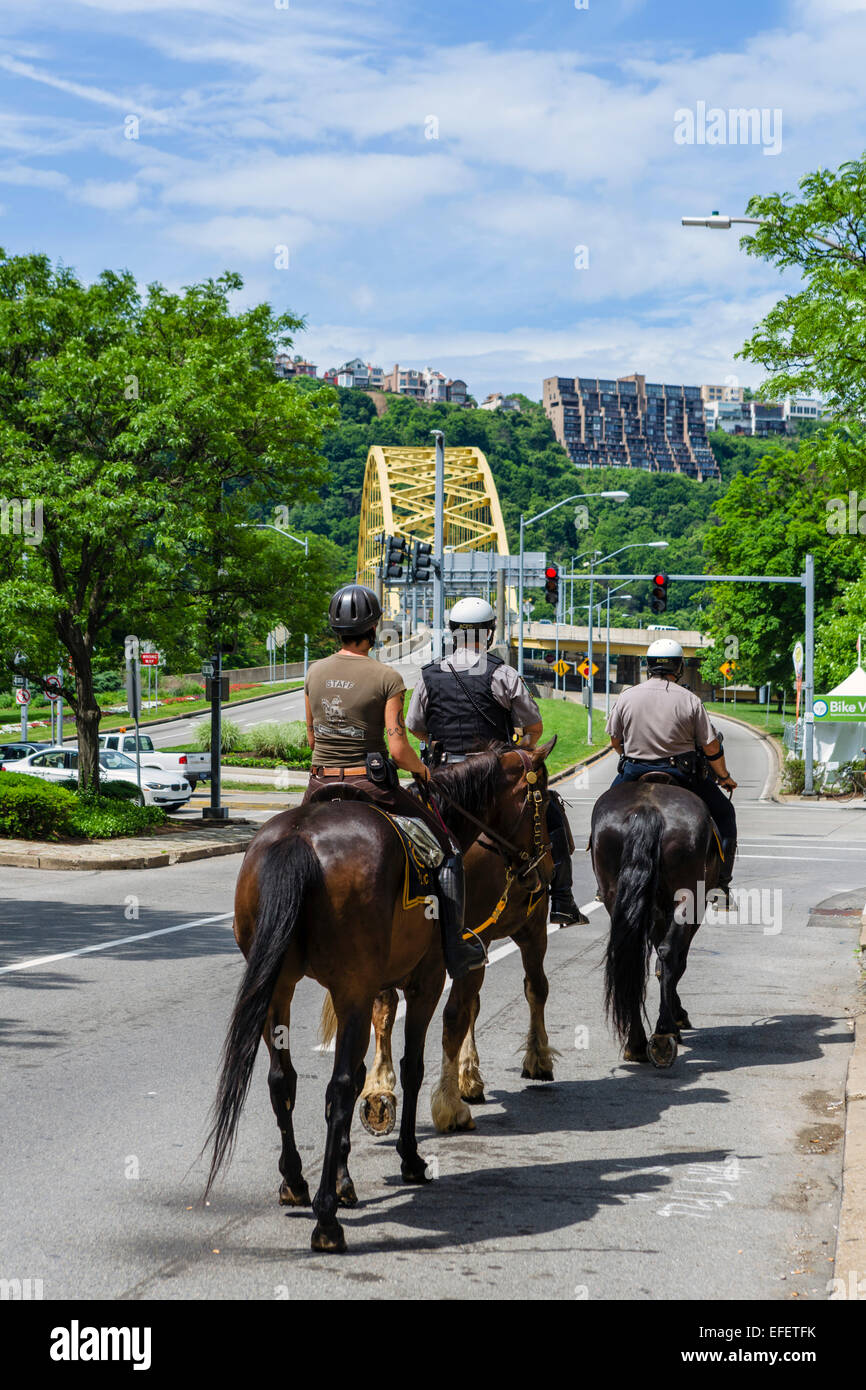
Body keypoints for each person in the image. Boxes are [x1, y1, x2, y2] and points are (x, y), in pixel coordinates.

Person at [303, 582, 486, 979]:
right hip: (368, 787)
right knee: (448, 847)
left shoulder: (313, 672)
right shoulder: (387, 677)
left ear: (336, 629)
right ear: (374, 629)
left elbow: (312, 738)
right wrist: (424, 773)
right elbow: (400, 750)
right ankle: (454, 945)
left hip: (318, 785)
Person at [406, 595, 589, 926]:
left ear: (451, 633)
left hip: (444, 778)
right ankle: (562, 899)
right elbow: (534, 728)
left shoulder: (429, 675)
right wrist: (518, 750)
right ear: (489, 633)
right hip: (495, 780)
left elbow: (415, 728)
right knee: (553, 817)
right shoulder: (502, 674)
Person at [605, 638, 738, 899]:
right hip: (683, 775)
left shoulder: (627, 696)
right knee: (725, 814)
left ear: (648, 666)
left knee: (604, 810)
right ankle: (721, 883)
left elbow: (615, 742)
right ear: (678, 667)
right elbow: (711, 748)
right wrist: (724, 776)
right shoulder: (690, 700)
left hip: (633, 773)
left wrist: (632, 756)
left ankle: (606, 882)